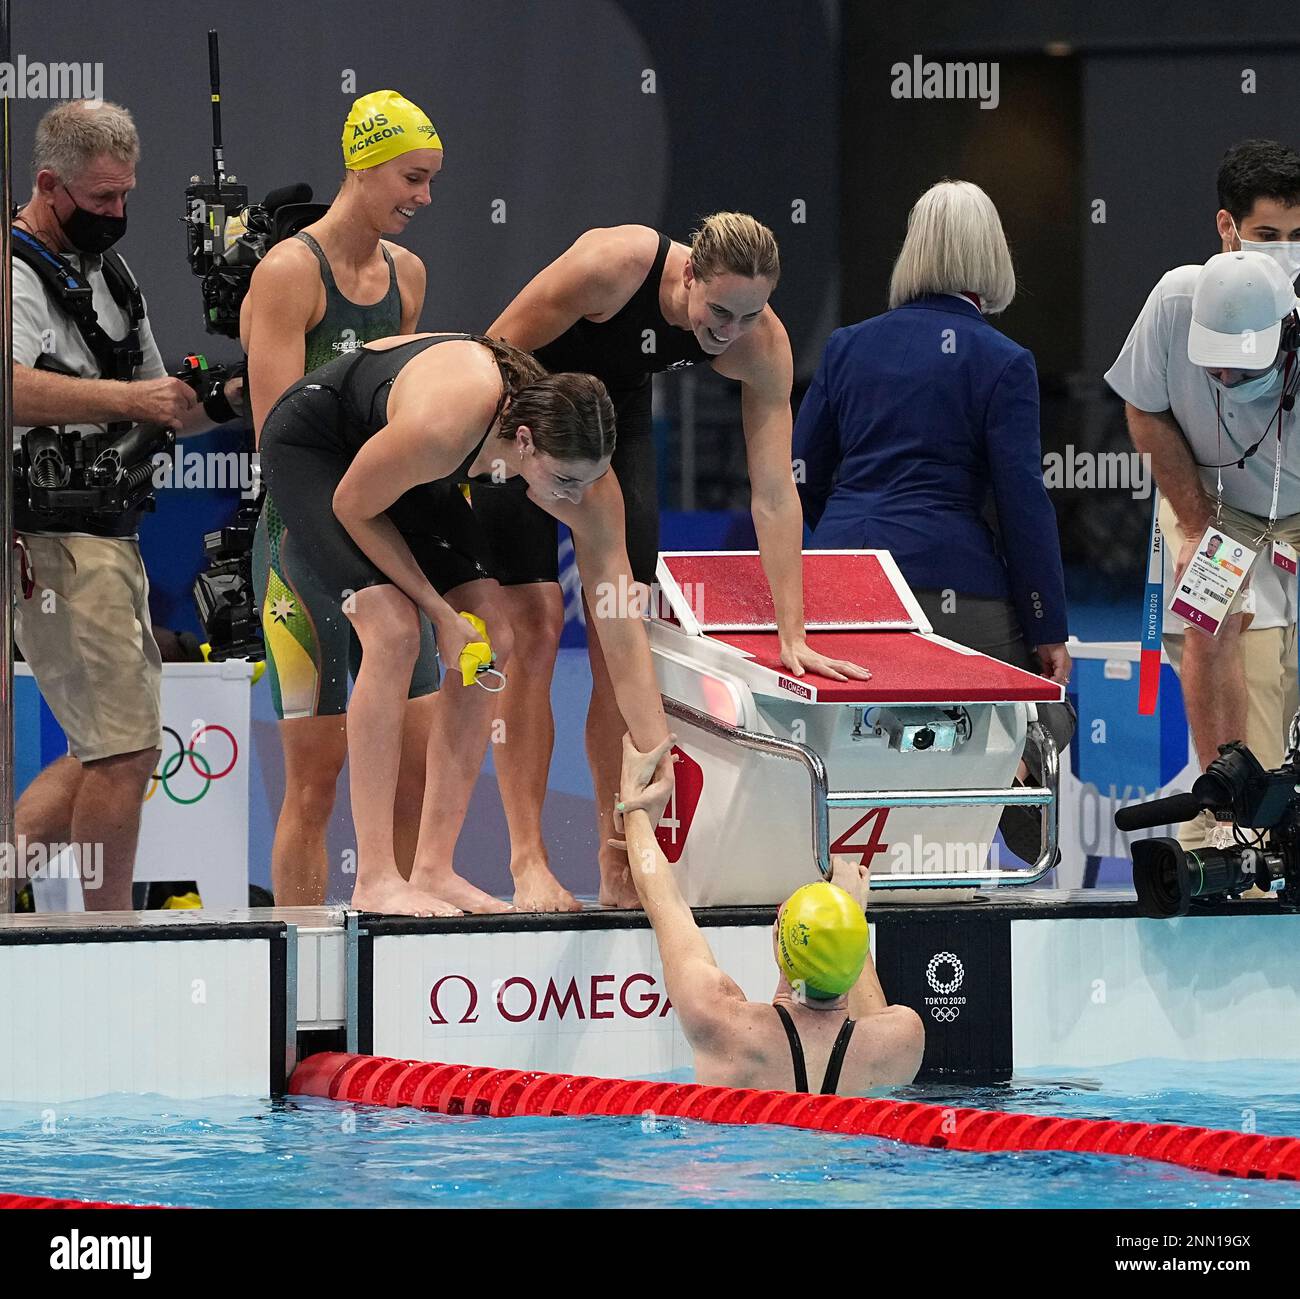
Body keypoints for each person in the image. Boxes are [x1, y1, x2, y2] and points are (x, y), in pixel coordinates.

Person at [479, 214, 867, 910]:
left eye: (749, 313)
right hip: (525, 411)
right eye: (719, 311)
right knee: (534, 628)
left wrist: (793, 632)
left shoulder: (762, 342)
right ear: (689, 273)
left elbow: (776, 494)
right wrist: (512, 463)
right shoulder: (610, 264)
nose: (730, 330)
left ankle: (617, 854)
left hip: (613, 419)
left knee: (624, 638)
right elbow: (493, 354)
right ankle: (528, 860)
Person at [258, 333, 670, 916]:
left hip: (405, 472)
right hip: (323, 455)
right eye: (565, 483)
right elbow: (354, 505)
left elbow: (620, 623)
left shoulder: (578, 475)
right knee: (394, 628)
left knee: (494, 634)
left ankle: (432, 868)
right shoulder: (449, 424)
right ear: (524, 442)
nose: (576, 498)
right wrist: (438, 612)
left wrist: (658, 750)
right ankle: (375, 875)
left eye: (587, 482)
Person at [793, 179, 1073, 861]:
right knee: (1052, 713)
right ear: (993, 257)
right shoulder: (1005, 362)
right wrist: (1047, 627)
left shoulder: (846, 347)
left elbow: (797, 469)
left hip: (841, 581)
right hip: (953, 580)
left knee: (853, 735)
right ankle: (1012, 780)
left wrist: (848, 545)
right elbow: (1022, 503)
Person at [10, 100, 244, 911]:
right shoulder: (15, 272)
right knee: (124, 748)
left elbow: (160, 402)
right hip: (53, 541)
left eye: (125, 196)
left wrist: (236, 391)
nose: (117, 214)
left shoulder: (110, 273)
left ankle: (12, 889)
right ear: (49, 183)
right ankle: (106, 935)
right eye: (102, 199)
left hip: (112, 537)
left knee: (102, 746)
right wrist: (132, 397)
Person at [241, 90, 441, 905]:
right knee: (315, 787)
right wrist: (347, 554)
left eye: (430, 181)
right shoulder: (289, 273)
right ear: (363, 167)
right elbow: (278, 445)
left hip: (383, 544)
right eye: (412, 178)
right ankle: (301, 980)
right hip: (304, 549)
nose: (424, 199)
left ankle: (389, 961)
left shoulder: (407, 275)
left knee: (411, 782)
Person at [1106, 137, 1300, 855]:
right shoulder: (1177, 300)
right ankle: (1228, 819)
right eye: (1268, 236)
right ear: (1228, 229)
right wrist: (1194, 520)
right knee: (1212, 620)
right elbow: (1144, 406)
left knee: (1281, 679)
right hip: (1218, 501)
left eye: (1298, 238)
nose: (1286, 252)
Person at [615, 734, 924, 1093]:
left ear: (778, 941)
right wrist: (850, 914)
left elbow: (665, 905)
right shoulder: (902, 1039)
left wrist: (634, 805)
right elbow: (869, 1018)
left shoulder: (721, 1023)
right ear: (860, 952)